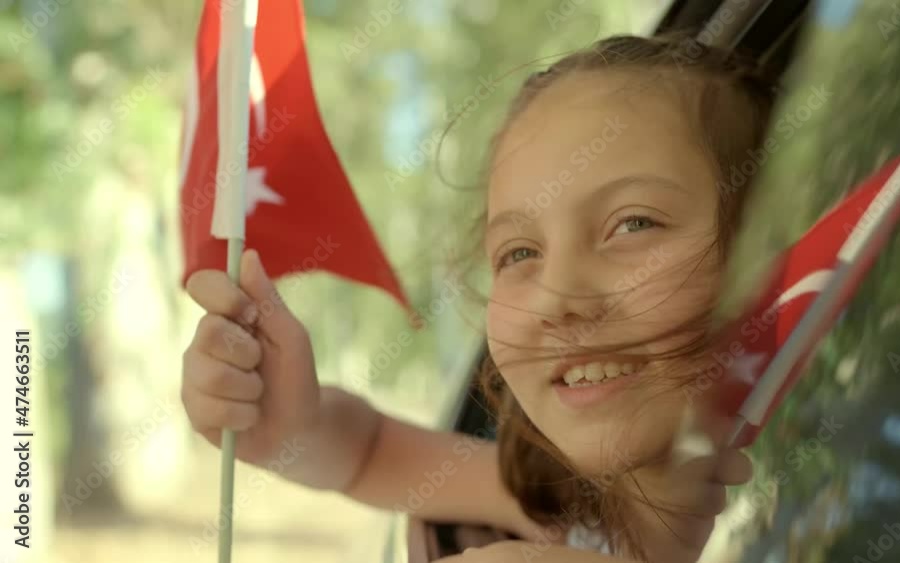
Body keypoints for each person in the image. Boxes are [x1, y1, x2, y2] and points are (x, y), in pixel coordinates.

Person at [181, 33, 779, 562]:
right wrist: (290, 428)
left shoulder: (815, 496)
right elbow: (370, 452)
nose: (556, 298)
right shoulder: (573, 503)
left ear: (772, 257)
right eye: (519, 253)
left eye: (633, 225)